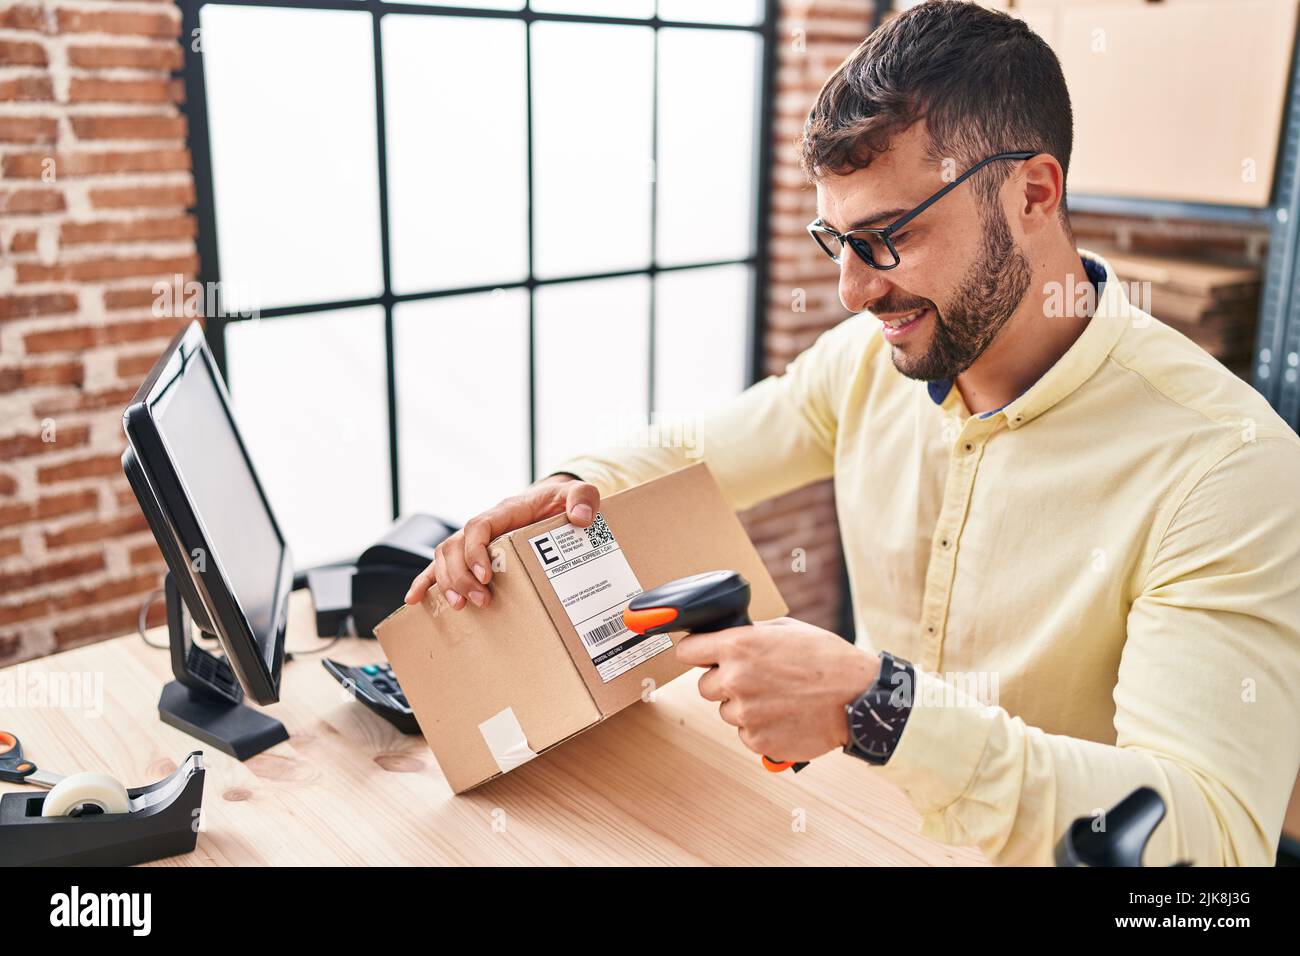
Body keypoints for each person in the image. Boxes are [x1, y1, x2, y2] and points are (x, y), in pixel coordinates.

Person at [406, 0, 1300, 866]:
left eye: (888, 238)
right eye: (837, 241)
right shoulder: (867, 364)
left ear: (1034, 193)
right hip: (862, 833)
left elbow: (1210, 845)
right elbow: (693, 454)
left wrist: (885, 711)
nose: (853, 293)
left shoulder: (1228, 467)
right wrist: (567, 485)